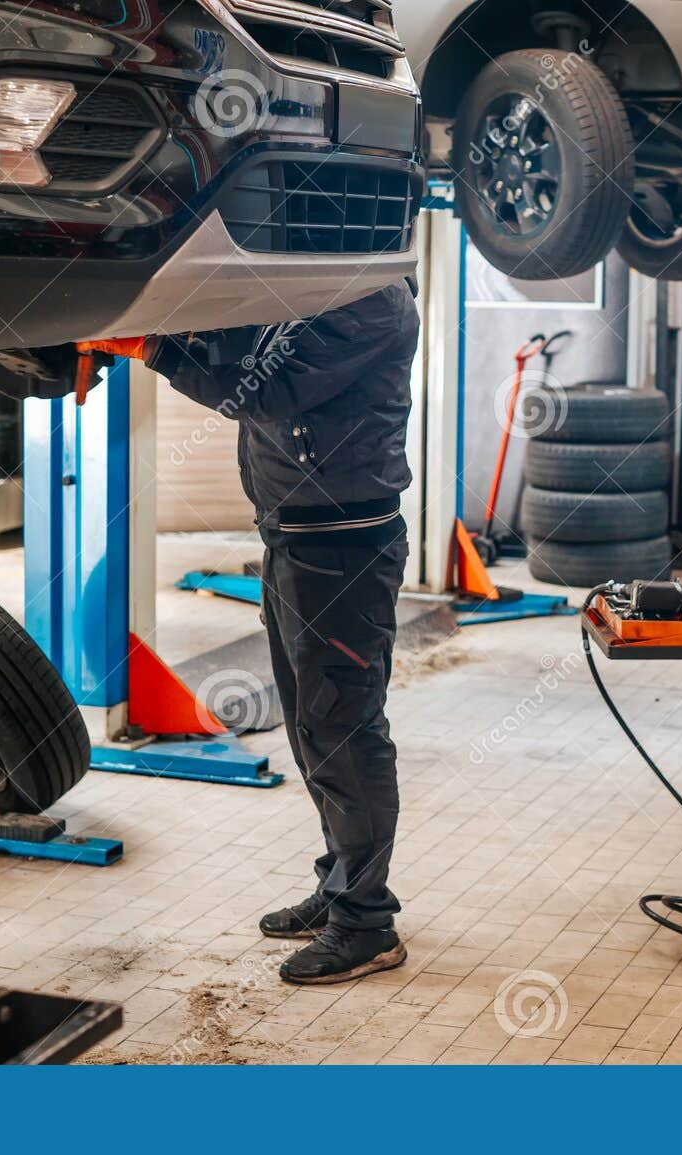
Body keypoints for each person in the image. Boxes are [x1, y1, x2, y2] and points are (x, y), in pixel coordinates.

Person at [138, 281, 419, 984]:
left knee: (344, 726)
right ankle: (340, 886)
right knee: (310, 726)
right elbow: (232, 352)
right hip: (293, 534)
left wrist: (151, 349)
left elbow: (263, 393)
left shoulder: (371, 301)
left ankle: (366, 923)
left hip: (343, 545)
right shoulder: (300, 286)